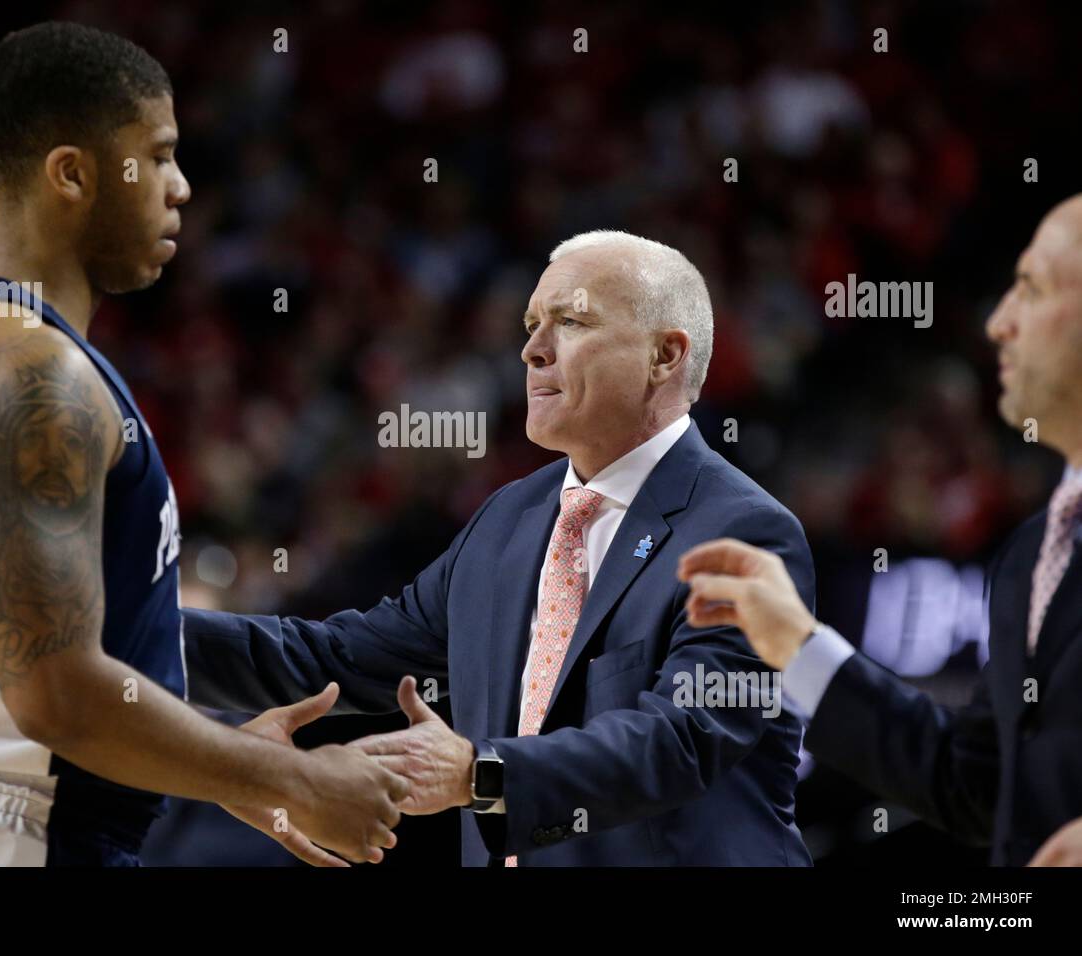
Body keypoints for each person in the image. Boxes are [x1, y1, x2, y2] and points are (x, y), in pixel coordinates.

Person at [0, 21, 406, 868]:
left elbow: (67, 646)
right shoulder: (26, 372)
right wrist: (290, 781)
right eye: (162, 155)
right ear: (71, 173)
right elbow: (58, 694)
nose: (180, 187)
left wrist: (230, 763)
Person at [184, 230, 816, 865]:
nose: (533, 350)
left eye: (570, 321)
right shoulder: (508, 518)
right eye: (531, 323)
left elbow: (683, 740)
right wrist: (127, 629)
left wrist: (479, 774)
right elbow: (343, 658)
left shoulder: (744, 531)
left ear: (664, 355)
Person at [678, 195, 1082, 867]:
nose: (998, 322)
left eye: (1032, 289)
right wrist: (798, 647)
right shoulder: (1032, 554)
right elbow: (974, 788)